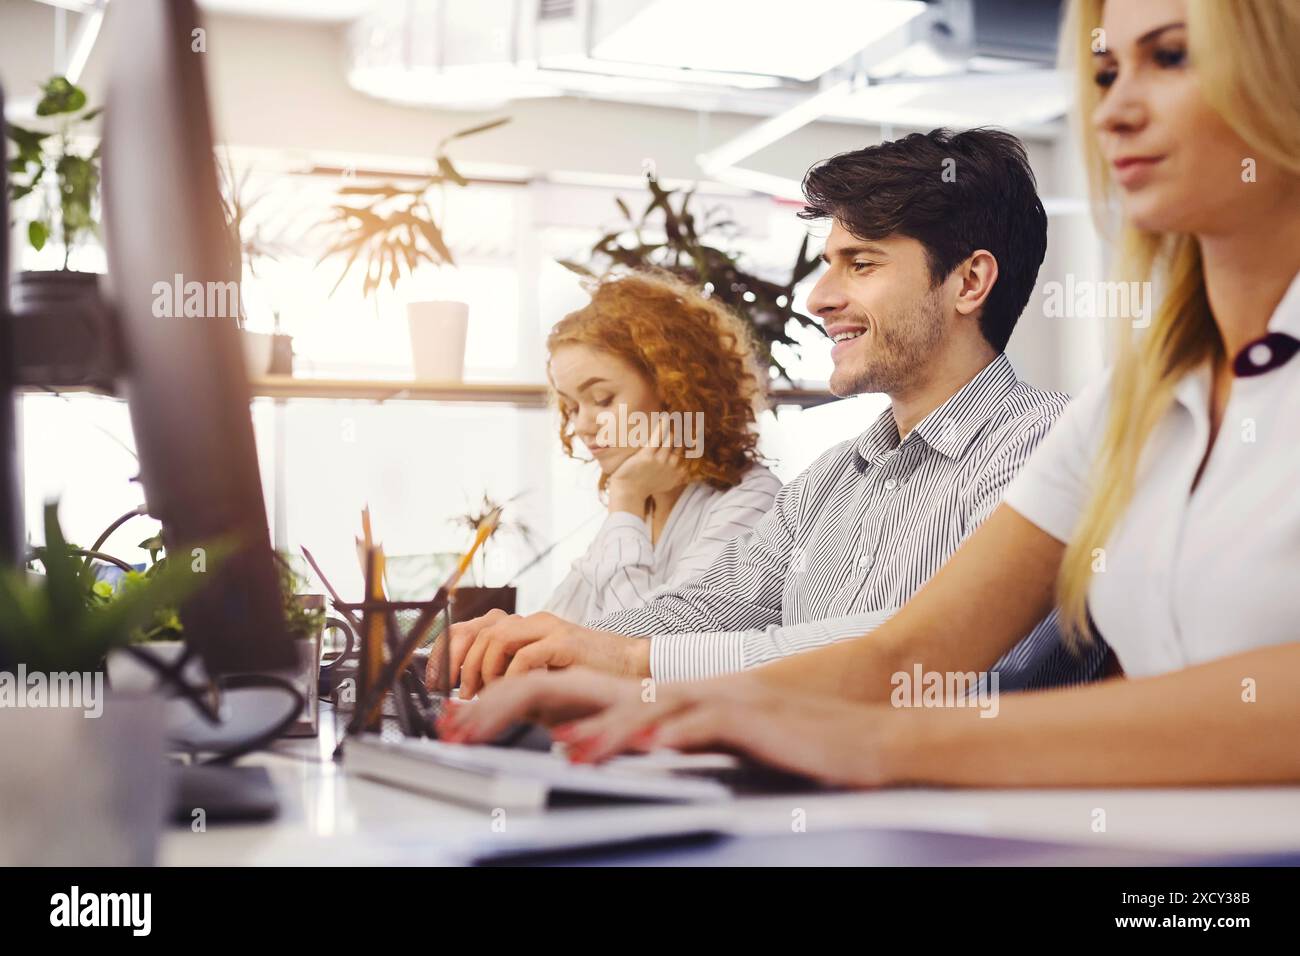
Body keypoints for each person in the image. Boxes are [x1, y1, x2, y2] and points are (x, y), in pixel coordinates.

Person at [440, 0, 1300, 789]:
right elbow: (908, 647)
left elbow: (957, 680)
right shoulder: (1129, 408)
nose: (1112, 110)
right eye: (1106, 72)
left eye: (1175, 58)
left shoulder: (1051, 433)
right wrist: (606, 663)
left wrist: (848, 735)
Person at [448, 127, 1110, 698]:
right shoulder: (830, 480)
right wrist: (561, 639)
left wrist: (629, 660)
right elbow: (711, 607)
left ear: (969, 282)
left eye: (861, 264)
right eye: (828, 265)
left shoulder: (1047, 444)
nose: (820, 297)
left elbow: (927, 647)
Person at [538, 271, 780, 623]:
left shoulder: (752, 503)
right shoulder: (643, 505)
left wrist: (625, 500)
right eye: (573, 407)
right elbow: (558, 626)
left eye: (602, 399)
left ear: (673, 389)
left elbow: (641, 643)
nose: (583, 426)